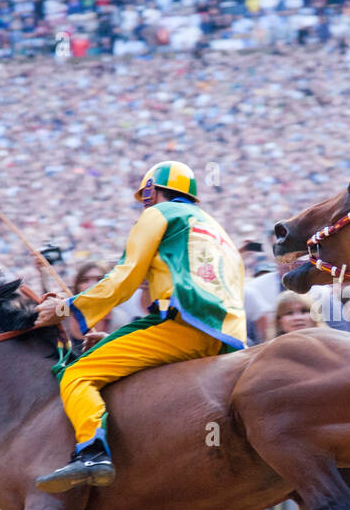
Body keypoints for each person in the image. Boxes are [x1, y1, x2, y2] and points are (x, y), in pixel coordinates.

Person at [32, 160, 247, 492]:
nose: (143, 203)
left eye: (144, 196)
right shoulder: (218, 229)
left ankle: (92, 452)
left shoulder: (158, 216)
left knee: (76, 374)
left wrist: (65, 307)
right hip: (228, 335)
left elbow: (124, 279)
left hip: (183, 324)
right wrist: (115, 337)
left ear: (152, 191)